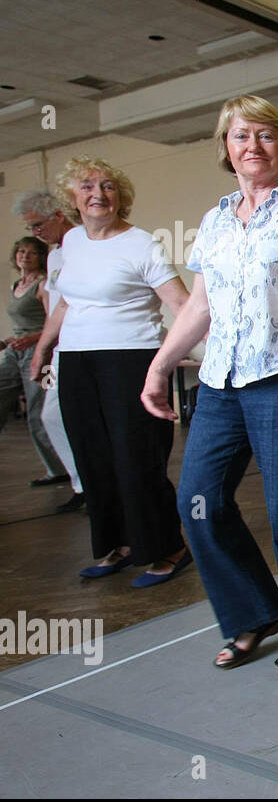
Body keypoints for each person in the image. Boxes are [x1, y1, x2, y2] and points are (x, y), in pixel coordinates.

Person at [140, 94, 278, 669]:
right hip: (219, 380)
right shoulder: (214, 220)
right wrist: (161, 364)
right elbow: (199, 307)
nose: (253, 146)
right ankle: (253, 612)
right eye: (241, 136)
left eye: (265, 135)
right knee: (199, 503)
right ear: (226, 148)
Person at [28, 158, 190, 587]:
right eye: (87, 186)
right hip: (78, 360)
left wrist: (204, 356)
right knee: (93, 458)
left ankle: (168, 548)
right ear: (73, 198)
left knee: (136, 459)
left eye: (108, 186)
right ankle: (118, 544)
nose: (98, 194)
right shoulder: (69, 246)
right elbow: (64, 302)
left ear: (121, 197)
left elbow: (181, 304)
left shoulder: (141, 244)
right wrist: (44, 347)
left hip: (131, 359)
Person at [13, 191, 84, 512]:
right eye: (31, 228)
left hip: (88, 344)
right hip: (60, 347)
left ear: (58, 214)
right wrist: (44, 345)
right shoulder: (55, 256)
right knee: (51, 416)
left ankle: (99, 486)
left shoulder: (85, 243)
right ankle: (82, 485)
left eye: (38, 224)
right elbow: (55, 305)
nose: (35, 233)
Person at [1, 236, 68, 485]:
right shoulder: (16, 285)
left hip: (40, 350)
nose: (25, 256)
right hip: (14, 351)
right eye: (21, 252)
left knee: (40, 413)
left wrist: (34, 340)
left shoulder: (42, 285)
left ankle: (59, 469)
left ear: (41, 257)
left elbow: (55, 321)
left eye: (31, 253)